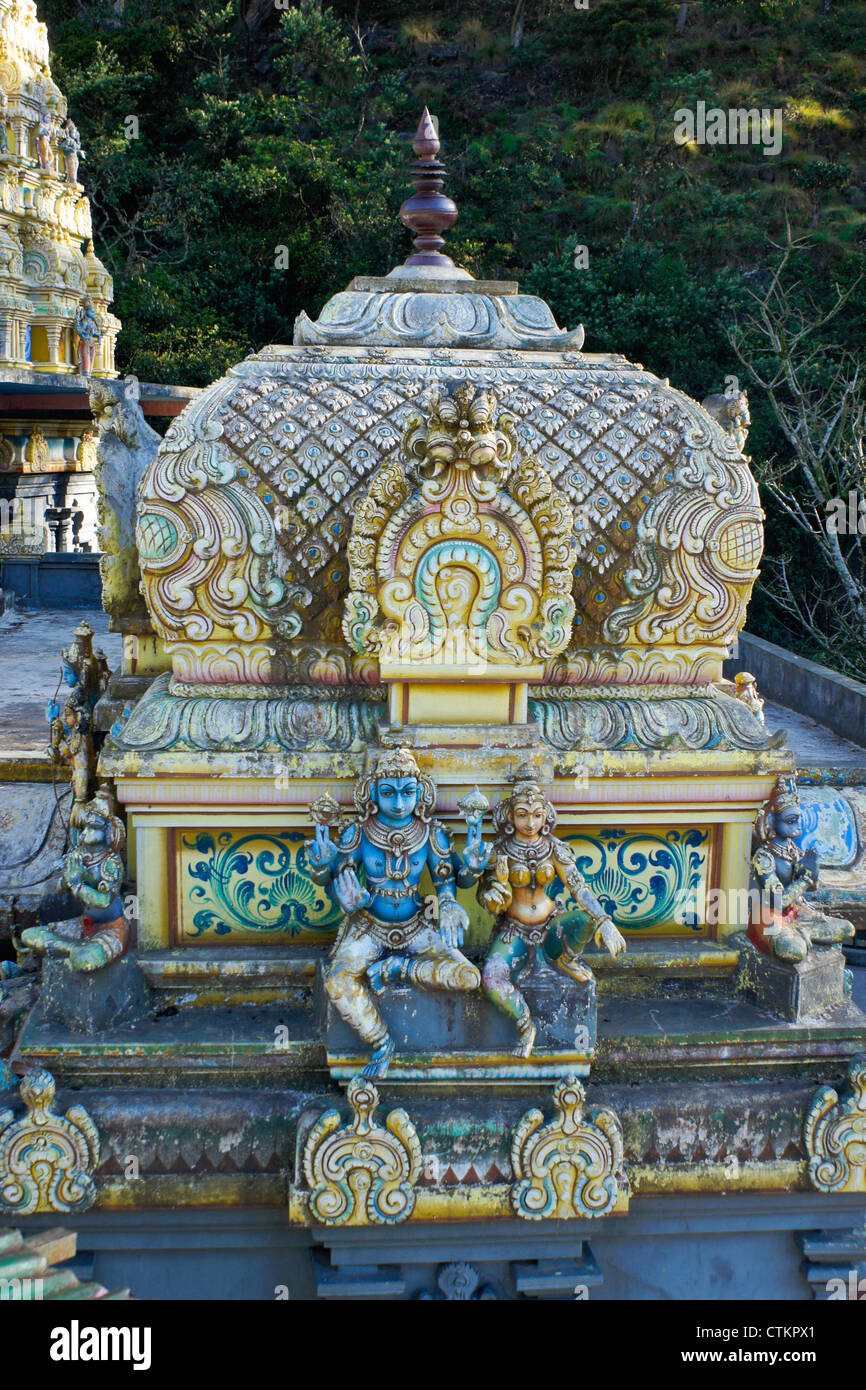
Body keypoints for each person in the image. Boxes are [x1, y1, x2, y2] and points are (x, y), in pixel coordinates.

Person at [306, 747, 489, 1078]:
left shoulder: (431, 834)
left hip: (415, 926)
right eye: (389, 793)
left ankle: (398, 968)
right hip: (368, 926)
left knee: (469, 976)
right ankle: (380, 1042)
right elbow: (339, 881)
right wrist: (340, 893)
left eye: (408, 792)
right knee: (338, 979)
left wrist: (450, 900)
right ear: (373, 792)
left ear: (420, 792)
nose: (400, 803)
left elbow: (447, 882)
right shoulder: (359, 833)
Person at [478, 774, 626, 1057]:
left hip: (550, 929)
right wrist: (492, 895)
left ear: (546, 814)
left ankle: (566, 959)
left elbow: (579, 888)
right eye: (522, 815)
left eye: (537, 815)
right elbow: (486, 896)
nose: (530, 823)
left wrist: (606, 922)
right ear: (510, 815)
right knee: (491, 979)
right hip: (515, 931)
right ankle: (525, 1026)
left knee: (586, 920)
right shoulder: (500, 851)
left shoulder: (554, 848)